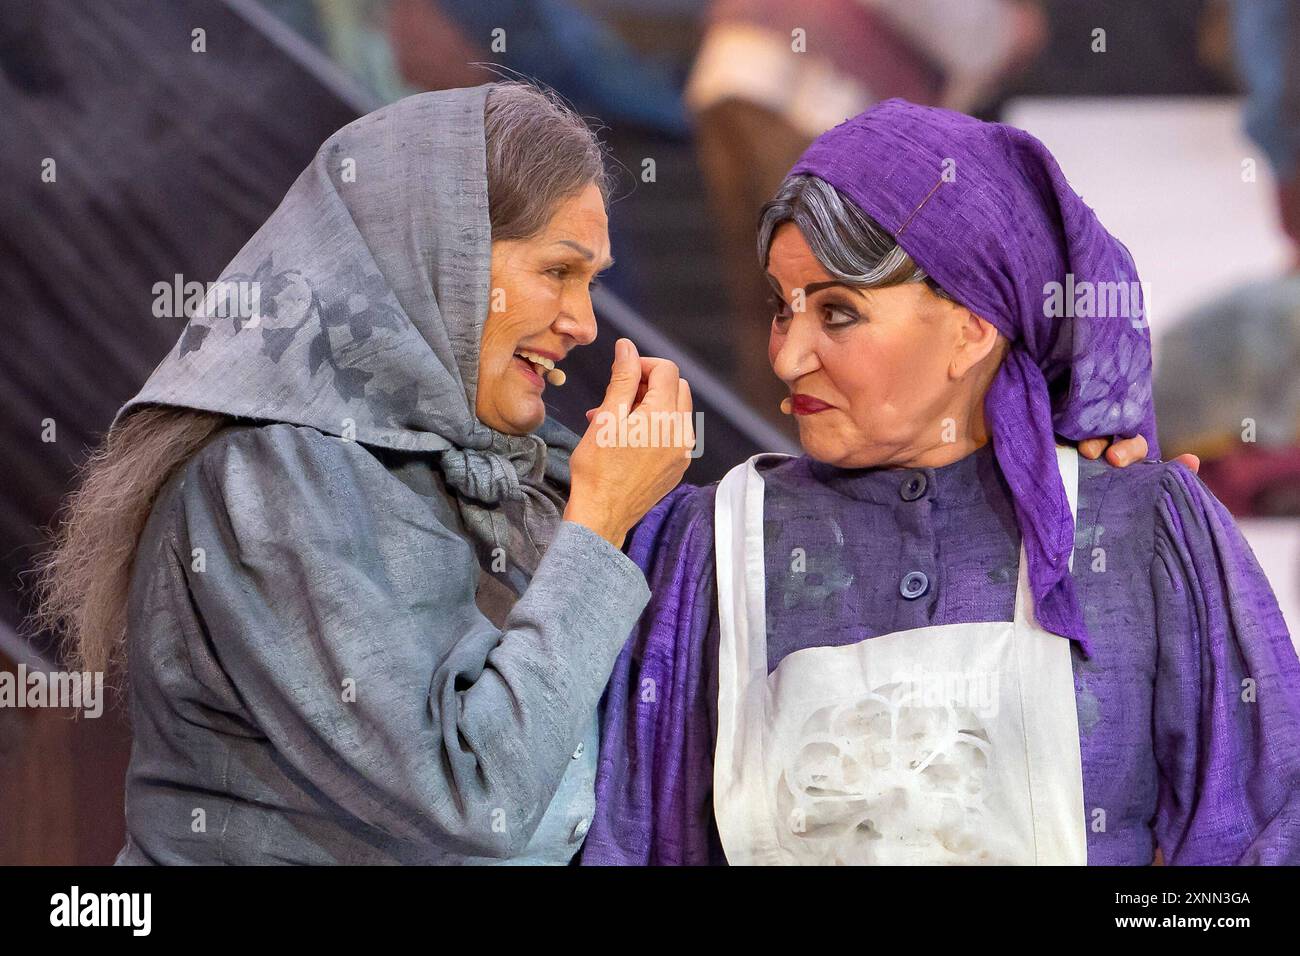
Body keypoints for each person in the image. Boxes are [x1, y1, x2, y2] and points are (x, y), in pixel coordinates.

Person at [583, 100, 1300, 865]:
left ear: (972, 326)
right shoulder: (713, 546)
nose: (789, 358)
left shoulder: (1141, 532)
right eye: (781, 310)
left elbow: (1261, 844)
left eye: (838, 313)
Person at [36, 81, 692, 864]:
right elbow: (472, 795)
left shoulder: (522, 467)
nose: (584, 324)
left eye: (592, 282)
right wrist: (601, 522)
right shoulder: (266, 478)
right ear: (439, 259)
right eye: (558, 271)